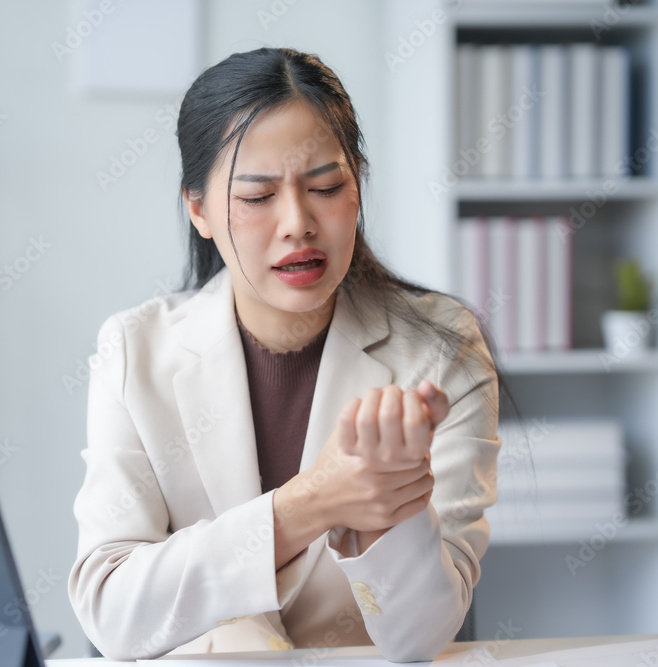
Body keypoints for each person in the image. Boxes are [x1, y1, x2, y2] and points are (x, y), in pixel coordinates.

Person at [68, 46, 504, 662]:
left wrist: (387, 514)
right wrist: (314, 502)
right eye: (256, 197)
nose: (298, 223)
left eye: (325, 186)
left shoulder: (440, 349)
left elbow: (422, 638)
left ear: (357, 189)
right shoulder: (135, 351)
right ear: (199, 209)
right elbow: (112, 612)